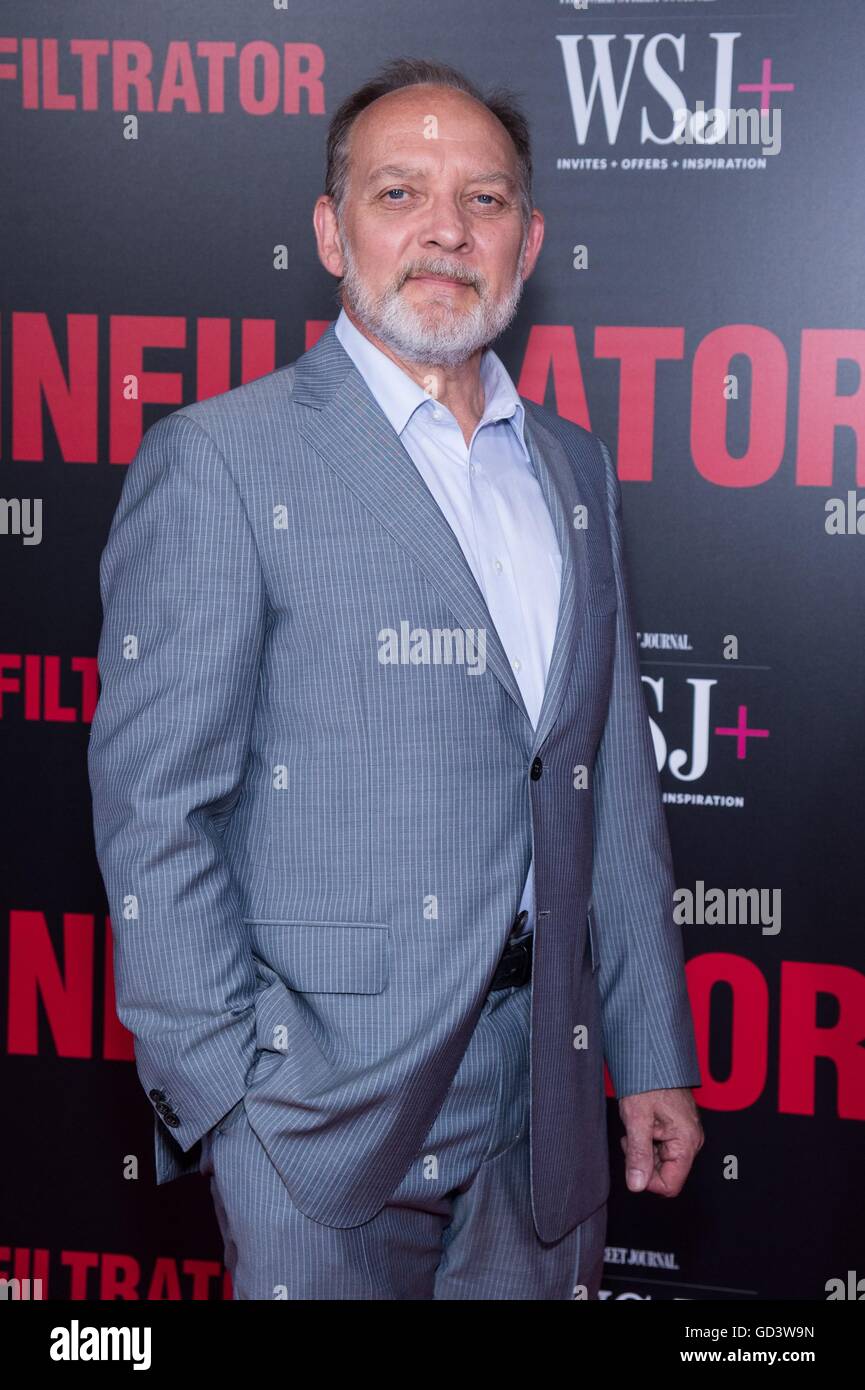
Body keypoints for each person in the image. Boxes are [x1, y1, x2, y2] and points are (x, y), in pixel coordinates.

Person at [88, 57, 703, 1301]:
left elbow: (611, 782)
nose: (444, 231)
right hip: (318, 1116)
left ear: (527, 246)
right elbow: (155, 810)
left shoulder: (575, 472)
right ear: (330, 229)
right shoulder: (219, 459)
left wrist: (649, 1052)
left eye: (483, 201)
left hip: (548, 1105)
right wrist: (229, 1102)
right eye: (398, 191)